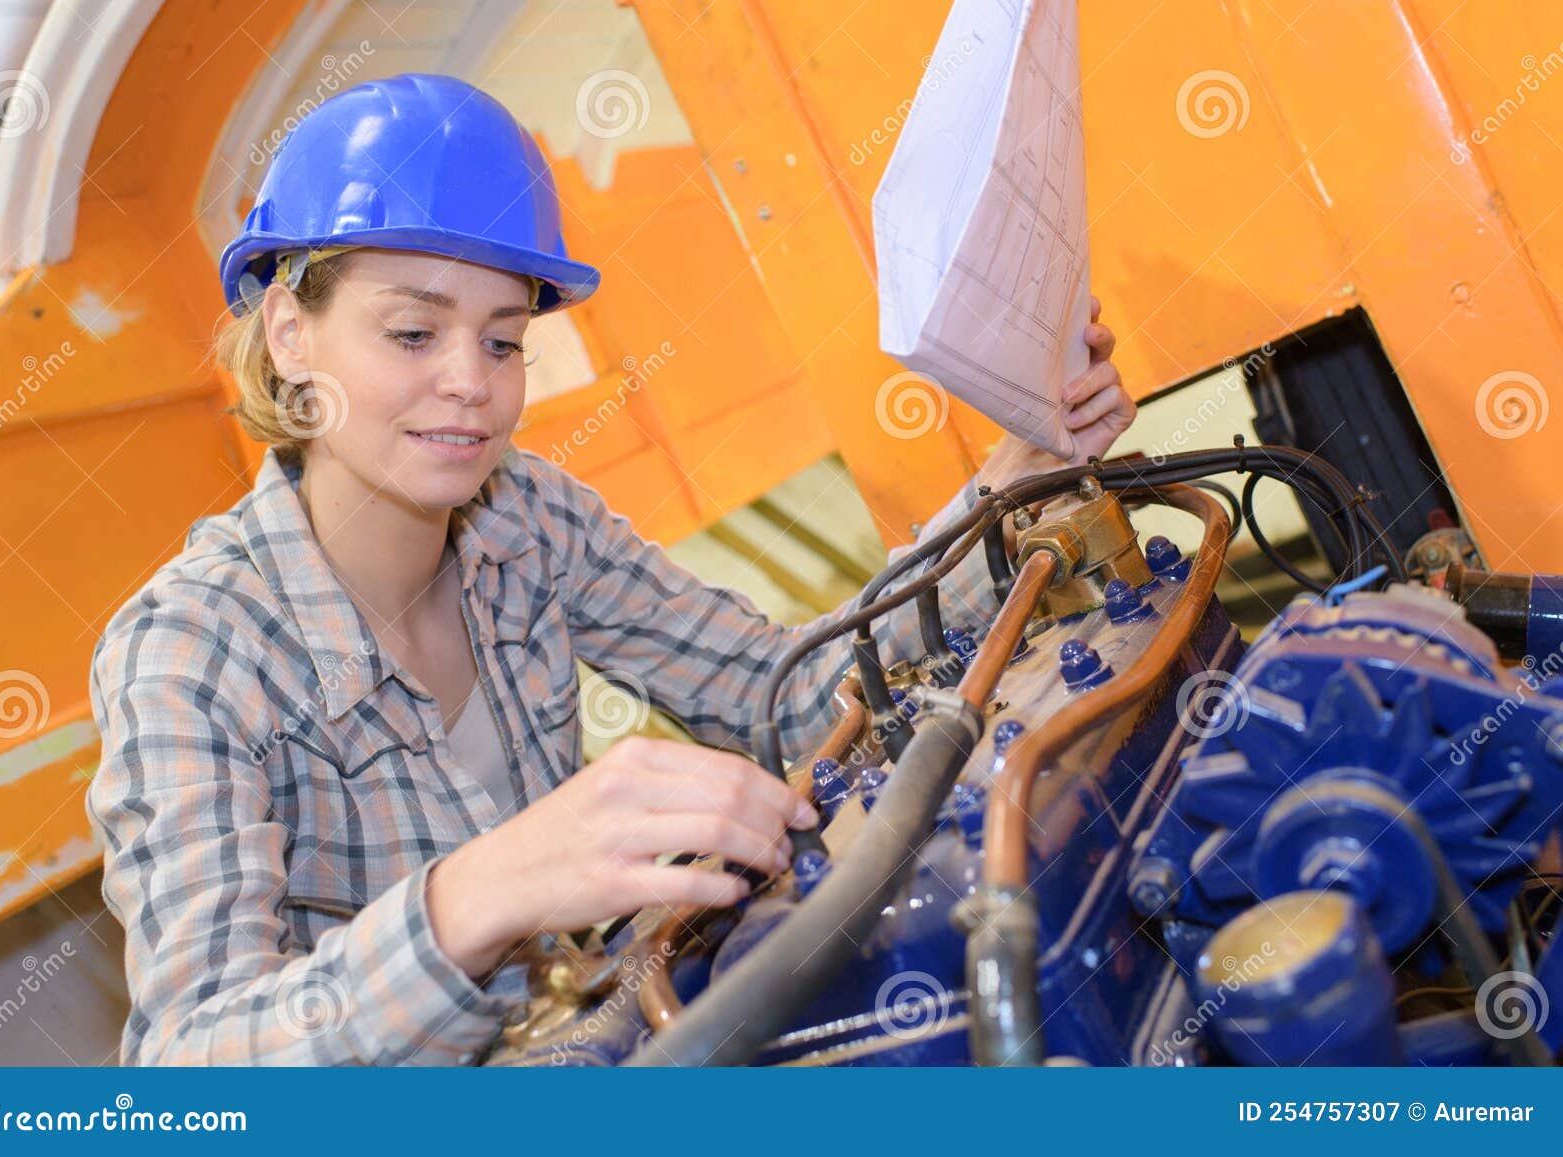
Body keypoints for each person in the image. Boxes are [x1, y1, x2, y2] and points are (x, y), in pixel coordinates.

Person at [87, 74, 1133, 1066]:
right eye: (412, 330)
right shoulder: (188, 651)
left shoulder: (526, 515)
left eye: (502, 343)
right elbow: (191, 1067)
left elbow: (786, 693)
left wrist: (1010, 490)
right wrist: (475, 893)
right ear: (289, 333)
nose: (469, 386)